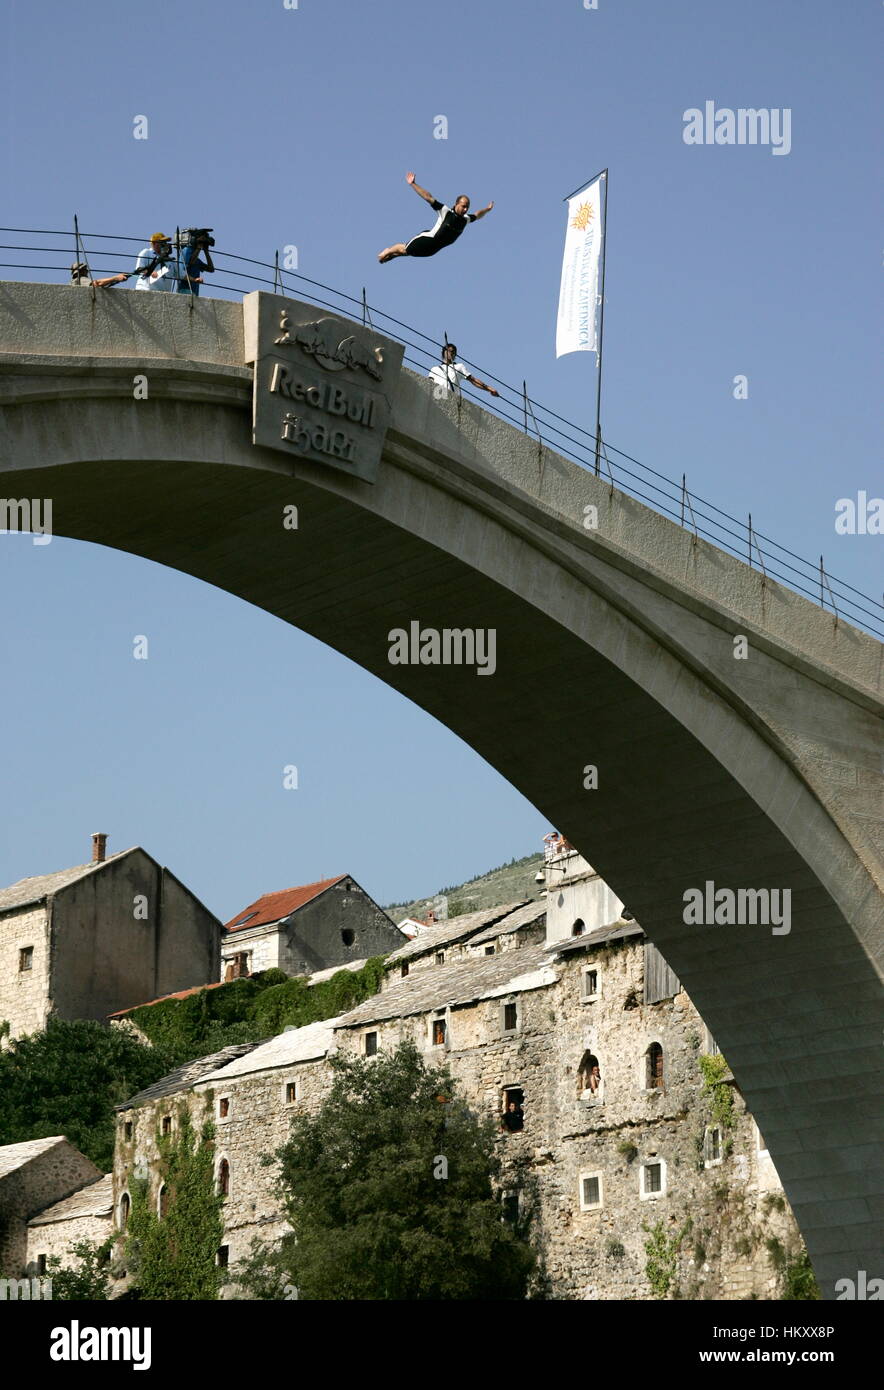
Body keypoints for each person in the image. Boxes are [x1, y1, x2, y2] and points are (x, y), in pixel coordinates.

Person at [378, 172, 493, 263]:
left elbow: (478, 215)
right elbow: (428, 197)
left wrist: (487, 210)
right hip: (427, 239)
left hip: (433, 250)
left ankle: (392, 256)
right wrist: (413, 184)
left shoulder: (465, 219)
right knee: (404, 249)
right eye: (463, 206)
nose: (465, 209)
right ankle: (388, 251)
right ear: (456, 204)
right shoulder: (446, 211)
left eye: (467, 207)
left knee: (406, 253)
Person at [428, 343, 499, 398]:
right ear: (443, 352)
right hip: (436, 396)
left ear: (455, 355)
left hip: (450, 397)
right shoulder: (434, 369)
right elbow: (429, 384)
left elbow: (473, 380)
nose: (451, 353)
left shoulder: (459, 366)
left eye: (453, 352)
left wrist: (489, 389)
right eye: (448, 351)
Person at [176, 228, 215, 296]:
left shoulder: (196, 259)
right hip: (184, 290)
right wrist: (199, 247)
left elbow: (211, 269)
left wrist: (206, 252)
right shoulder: (186, 250)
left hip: (194, 292)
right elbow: (190, 263)